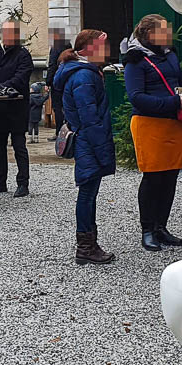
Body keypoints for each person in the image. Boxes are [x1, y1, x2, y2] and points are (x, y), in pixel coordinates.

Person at [122, 14, 182, 252]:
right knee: (153, 178)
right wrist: (174, 103)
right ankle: (147, 229)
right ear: (147, 34)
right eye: (162, 31)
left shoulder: (170, 54)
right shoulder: (135, 60)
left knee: (170, 177)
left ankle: (161, 227)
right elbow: (136, 97)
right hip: (149, 123)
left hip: (173, 122)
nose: (167, 35)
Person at [52, 29, 116, 265]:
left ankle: (89, 244)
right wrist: (103, 150)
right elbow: (90, 118)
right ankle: (86, 247)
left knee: (89, 193)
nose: (107, 51)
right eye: (103, 46)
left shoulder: (86, 72)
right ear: (89, 49)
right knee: (87, 194)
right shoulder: (83, 76)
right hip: (88, 141)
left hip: (87, 140)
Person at [0, 20, 34, 197]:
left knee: (19, 145)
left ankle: (23, 183)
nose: (6, 37)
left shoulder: (23, 55)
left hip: (17, 107)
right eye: (4, 33)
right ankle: (0, 181)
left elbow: (20, 79)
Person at [45, 25, 70, 139]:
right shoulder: (68, 45)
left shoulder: (55, 48)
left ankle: (59, 132)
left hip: (57, 81)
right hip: (68, 79)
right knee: (68, 106)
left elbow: (52, 65)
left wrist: (48, 82)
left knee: (57, 107)